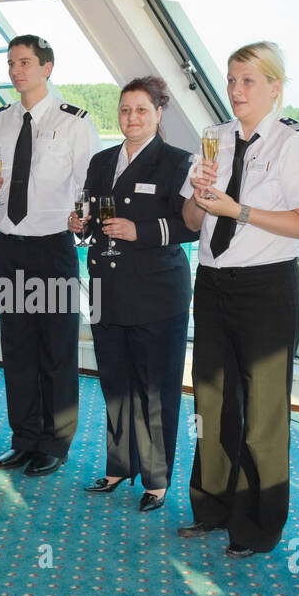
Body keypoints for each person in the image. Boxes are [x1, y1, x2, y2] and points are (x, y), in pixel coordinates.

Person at [176, 42, 299, 557]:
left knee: (263, 414)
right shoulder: (213, 138)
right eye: (233, 80)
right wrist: (197, 195)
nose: (236, 91)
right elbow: (192, 223)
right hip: (213, 284)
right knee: (212, 403)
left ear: (274, 87)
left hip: (267, 287)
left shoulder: (292, 143)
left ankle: (258, 526)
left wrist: (239, 210)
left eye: (249, 82)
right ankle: (212, 508)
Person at [67, 76, 196, 511]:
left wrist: (138, 231)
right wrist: (79, 222)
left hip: (157, 293)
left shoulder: (179, 162)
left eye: (141, 110)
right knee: (117, 384)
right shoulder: (102, 160)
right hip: (106, 289)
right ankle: (120, 465)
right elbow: (89, 208)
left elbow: (190, 226)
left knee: (156, 390)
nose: (131, 118)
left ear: (159, 114)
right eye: (125, 110)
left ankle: (156, 480)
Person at [0, 35, 101, 476]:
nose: (16, 71)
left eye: (26, 62)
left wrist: (82, 219)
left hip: (52, 247)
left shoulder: (74, 122)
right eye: (11, 62)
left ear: (47, 68)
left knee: (55, 348)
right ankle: (24, 436)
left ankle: (55, 441)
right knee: (16, 347)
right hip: (8, 246)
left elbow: (89, 188)